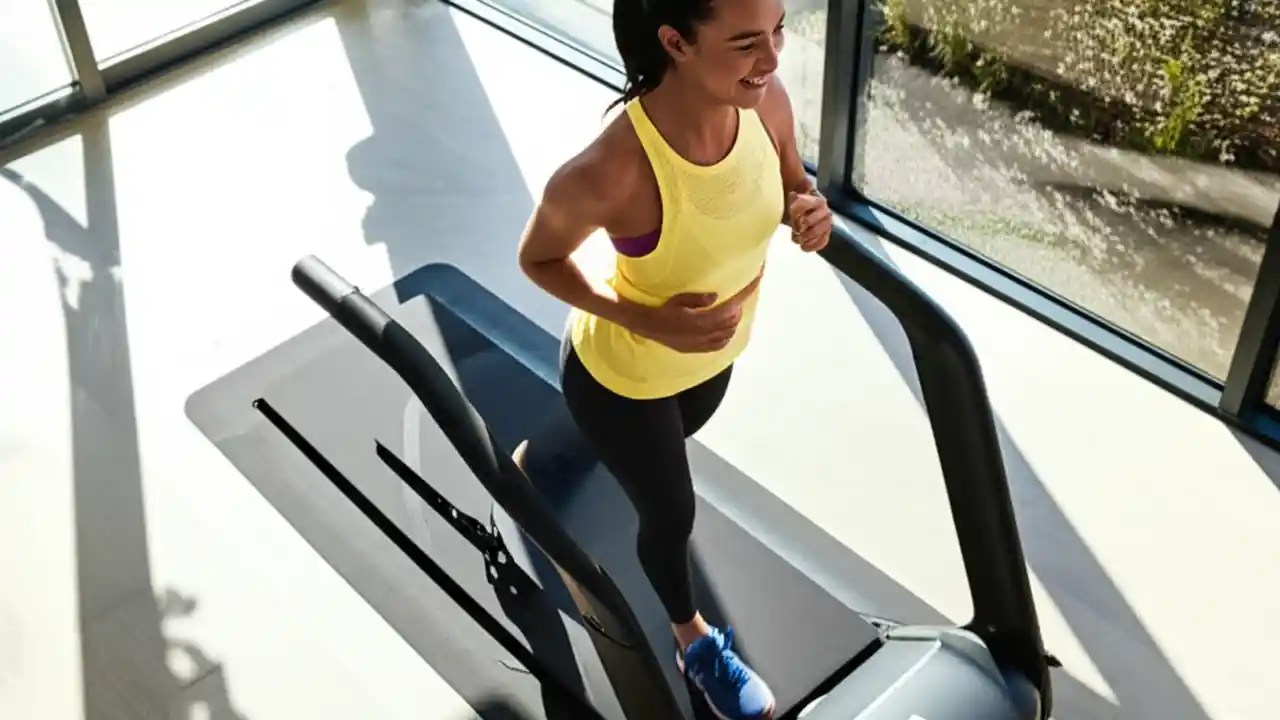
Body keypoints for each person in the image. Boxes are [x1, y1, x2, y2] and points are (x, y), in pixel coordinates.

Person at [515, 0, 832, 717]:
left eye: (779, 30)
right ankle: (694, 642)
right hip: (622, 377)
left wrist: (809, 209)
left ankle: (548, 455)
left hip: (711, 361)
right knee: (669, 514)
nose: (774, 59)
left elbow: (786, 181)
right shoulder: (610, 168)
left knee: (651, 451)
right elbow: (537, 257)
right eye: (748, 41)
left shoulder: (765, 101)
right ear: (674, 43)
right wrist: (644, 318)